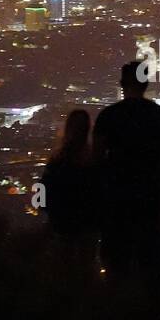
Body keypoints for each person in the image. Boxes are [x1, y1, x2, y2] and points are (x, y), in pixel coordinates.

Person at [92, 61, 160, 279]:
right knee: (149, 262)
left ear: (122, 84)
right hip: (151, 199)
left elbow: (96, 158)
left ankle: (117, 305)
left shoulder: (109, 116)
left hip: (117, 202)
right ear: (146, 84)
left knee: (117, 264)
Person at [41, 109, 98, 269]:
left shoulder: (58, 160)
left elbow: (43, 189)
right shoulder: (94, 161)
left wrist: (49, 212)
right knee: (84, 269)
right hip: (87, 224)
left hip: (62, 224)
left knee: (63, 268)